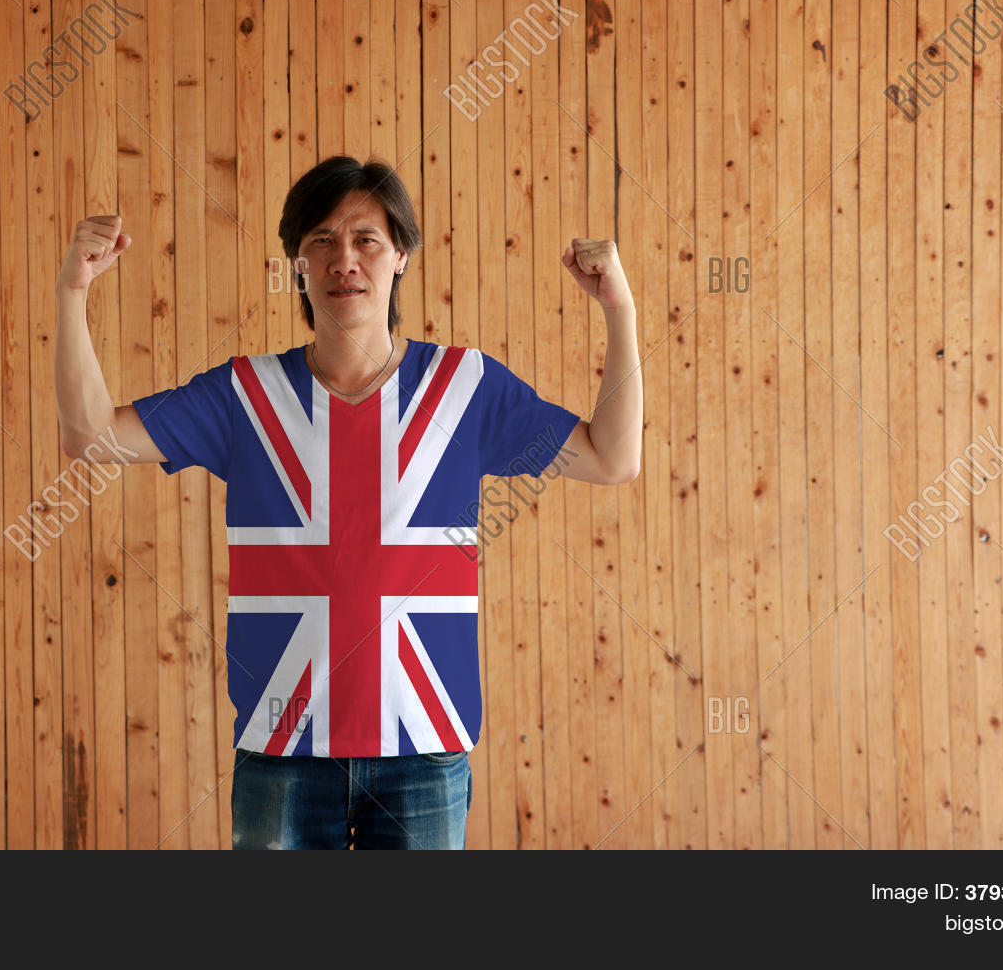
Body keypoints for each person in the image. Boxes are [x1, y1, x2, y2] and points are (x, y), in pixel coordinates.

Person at [54, 155, 642, 849]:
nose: (345, 260)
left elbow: (613, 457)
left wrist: (620, 309)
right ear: (297, 264)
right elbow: (91, 436)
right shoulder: (245, 395)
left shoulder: (465, 387)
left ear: (400, 257)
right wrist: (72, 292)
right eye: (322, 242)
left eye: (367, 239)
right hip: (282, 754)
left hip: (425, 753)